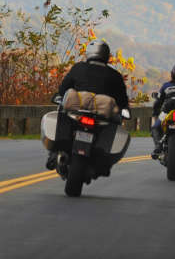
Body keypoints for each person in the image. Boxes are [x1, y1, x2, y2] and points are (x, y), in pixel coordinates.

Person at [46, 39, 130, 170]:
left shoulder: (78, 67)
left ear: (89, 53)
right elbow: (122, 100)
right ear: (106, 55)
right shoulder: (115, 75)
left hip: (76, 110)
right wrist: (124, 109)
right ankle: (100, 161)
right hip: (101, 115)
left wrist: (60, 96)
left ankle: (54, 153)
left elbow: (63, 88)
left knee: (62, 111)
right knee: (114, 123)